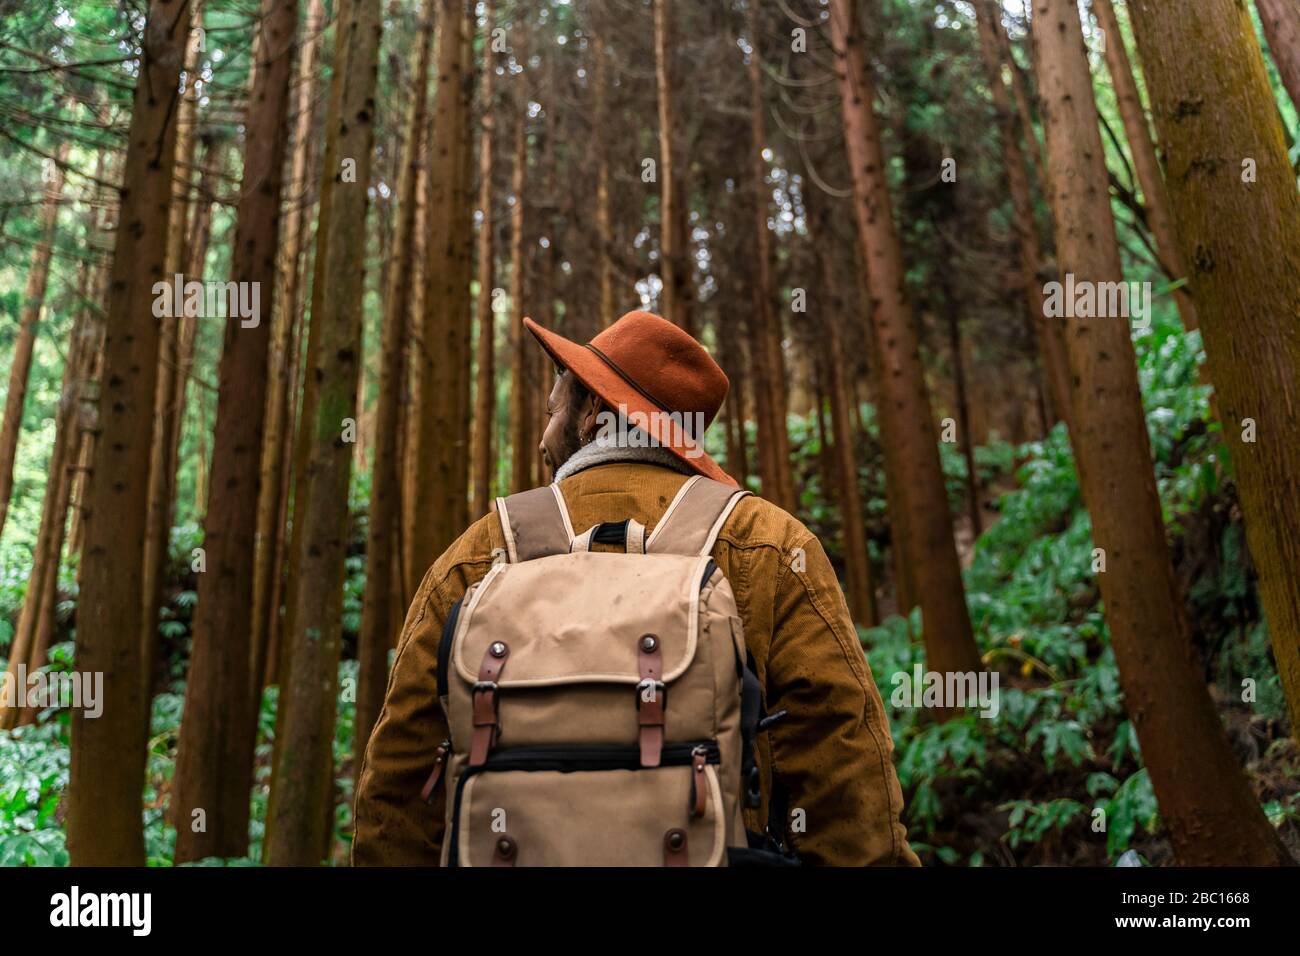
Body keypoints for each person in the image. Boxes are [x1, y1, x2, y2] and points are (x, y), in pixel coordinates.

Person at [353, 309, 920, 866]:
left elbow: (398, 789)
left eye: (552, 412)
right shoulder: (770, 545)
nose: (541, 436)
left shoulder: (478, 554)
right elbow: (845, 773)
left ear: (591, 412)